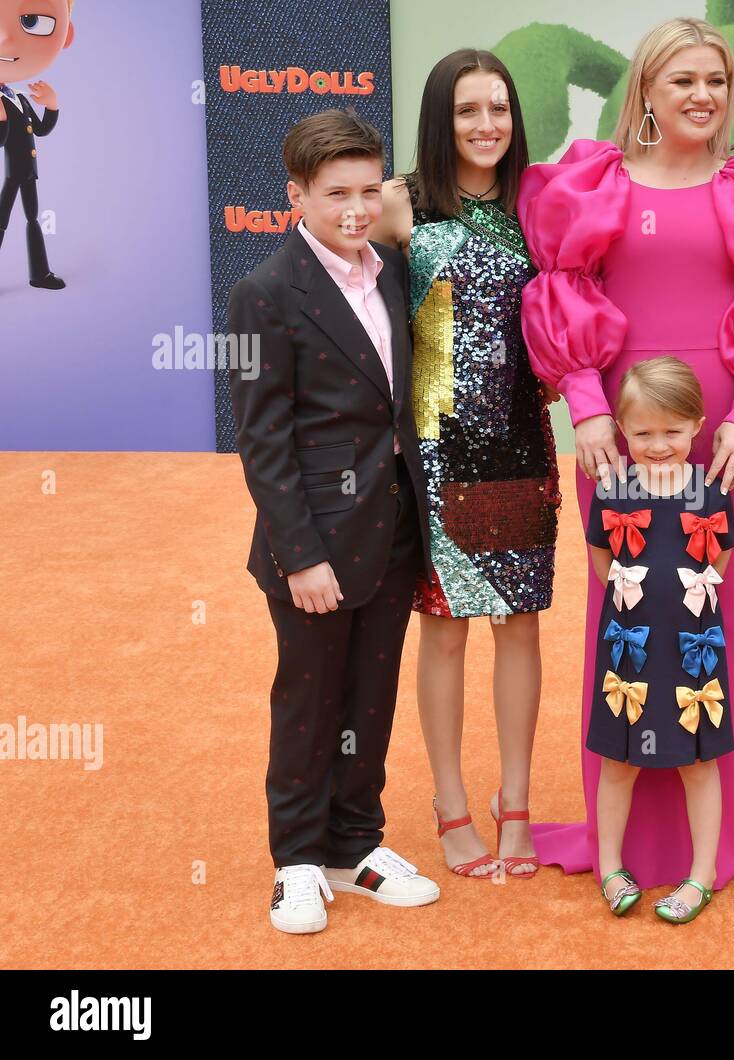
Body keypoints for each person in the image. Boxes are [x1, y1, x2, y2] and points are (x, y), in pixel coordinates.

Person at [519, 16, 734, 890]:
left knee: (721, 613)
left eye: (716, 82)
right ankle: (632, 844)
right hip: (615, 430)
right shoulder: (591, 182)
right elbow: (561, 294)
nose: (702, 96)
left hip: (724, 432)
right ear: (646, 89)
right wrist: (583, 410)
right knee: (625, 611)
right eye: (683, 80)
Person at [228, 108, 441, 933]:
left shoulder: (387, 269)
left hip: (390, 528)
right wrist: (300, 556)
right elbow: (262, 439)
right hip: (311, 542)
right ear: (296, 196)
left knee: (371, 694)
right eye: (334, 195)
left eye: (366, 190)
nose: (354, 210)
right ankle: (296, 862)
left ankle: (355, 848)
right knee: (310, 701)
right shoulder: (263, 293)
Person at [371, 49, 559, 880]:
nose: (487, 125)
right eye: (467, 110)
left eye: (500, 109)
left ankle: (514, 802)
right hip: (439, 452)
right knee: (444, 631)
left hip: (522, 444)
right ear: (439, 120)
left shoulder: (540, 206)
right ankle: (450, 804)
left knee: (520, 625)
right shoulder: (399, 205)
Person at [586, 357, 734, 923]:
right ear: (621, 430)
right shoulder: (613, 489)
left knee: (699, 763)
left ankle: (701, 876)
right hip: (627, 647)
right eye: (642, 432)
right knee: (618, 761)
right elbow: (603, 557)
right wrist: (637, 604)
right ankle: (609, 864)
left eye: (672, 431)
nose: (657, 445)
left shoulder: (710, 491)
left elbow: (720, 559)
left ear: (697, 425)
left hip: (695, 645)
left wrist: (680, 602)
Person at [0, 0, 74, 289]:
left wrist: (52, 106)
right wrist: (2, 121)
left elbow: (41, 130)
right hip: (13, 174)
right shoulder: (4, 102)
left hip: (28, 173)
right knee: (2, 223)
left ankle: (39, 274)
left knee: (32, 219)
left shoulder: (19, 97)